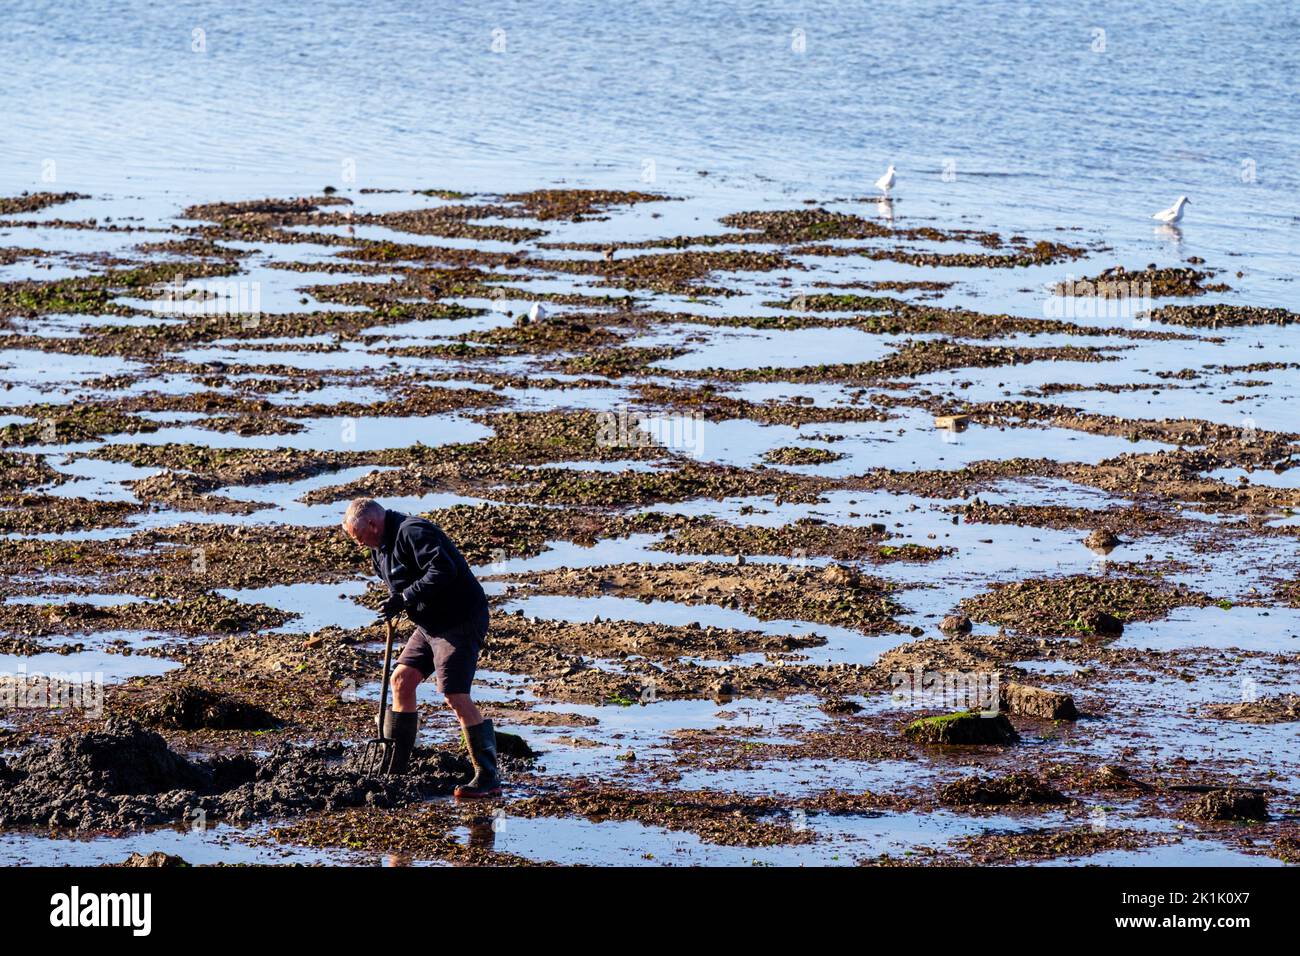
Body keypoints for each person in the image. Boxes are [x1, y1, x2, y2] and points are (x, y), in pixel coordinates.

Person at [341, 497, 499, 797]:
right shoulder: (379, 548)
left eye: (360, 537)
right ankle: (395, 765)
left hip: (459, 620)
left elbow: (444, 570)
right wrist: (396, 603)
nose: (360, 544)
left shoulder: (413, 531)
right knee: (401, 680)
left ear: (373, 524)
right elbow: (399, 584)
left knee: (454, 694)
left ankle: (488, 776)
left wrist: (404, 598)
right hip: (429, 624)